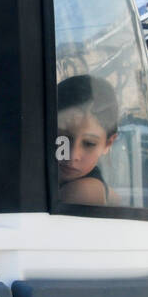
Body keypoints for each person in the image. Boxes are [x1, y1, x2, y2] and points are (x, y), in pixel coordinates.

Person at [55, 74, 119, 205]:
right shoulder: (104, 191)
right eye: (63, 138)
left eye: (89, 143)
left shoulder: (82, 192)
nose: (72, 155)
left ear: (108, 143)